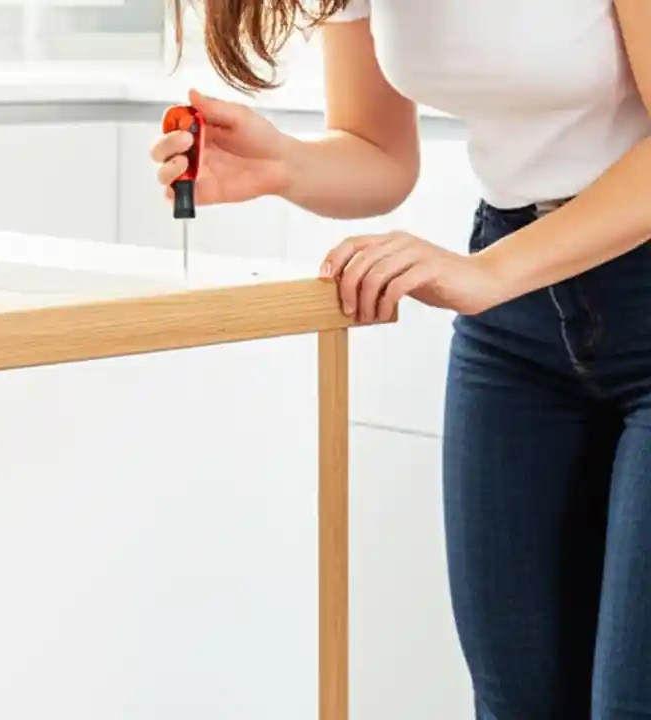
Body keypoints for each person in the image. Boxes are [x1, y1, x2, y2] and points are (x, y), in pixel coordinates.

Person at [150, 1, 651, 717]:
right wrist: (281, 163)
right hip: (515, 316)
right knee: (518, 702)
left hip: (553, 275)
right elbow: (378, 148)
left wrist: (492, 274)